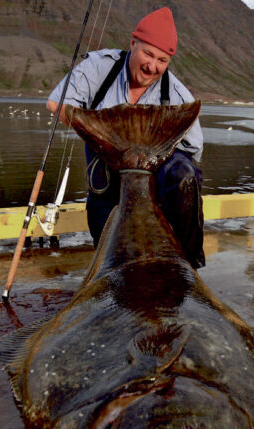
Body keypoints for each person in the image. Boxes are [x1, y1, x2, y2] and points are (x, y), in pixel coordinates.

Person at [46, 7, 206, 268]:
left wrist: (151, 165)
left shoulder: (178, 96)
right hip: (106, 167)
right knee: (107, 245)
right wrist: (109, 142)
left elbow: (193, 150)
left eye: (162, 60)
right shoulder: (99, 67)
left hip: (154, 173)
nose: (152, 67)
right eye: (148, 54)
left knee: (184, 176)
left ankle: (190, 265)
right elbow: (56, 104)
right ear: (133, 43)